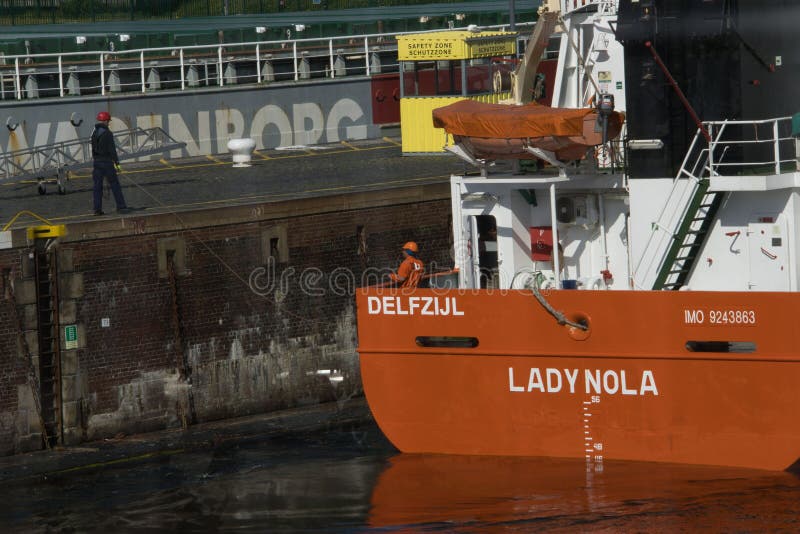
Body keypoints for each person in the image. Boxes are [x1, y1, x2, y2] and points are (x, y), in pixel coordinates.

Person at [91, 111, 129, 215]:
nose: (108, 123)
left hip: (97, 163)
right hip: (107, 163)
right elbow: (112, 150)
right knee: (115, 185)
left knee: (97, 187)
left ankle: (97, 210)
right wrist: (117, 163)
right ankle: (121, 206)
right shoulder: (108, 133)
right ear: (106, 121)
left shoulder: (94, 133)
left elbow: (93, 149)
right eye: (108, 121)